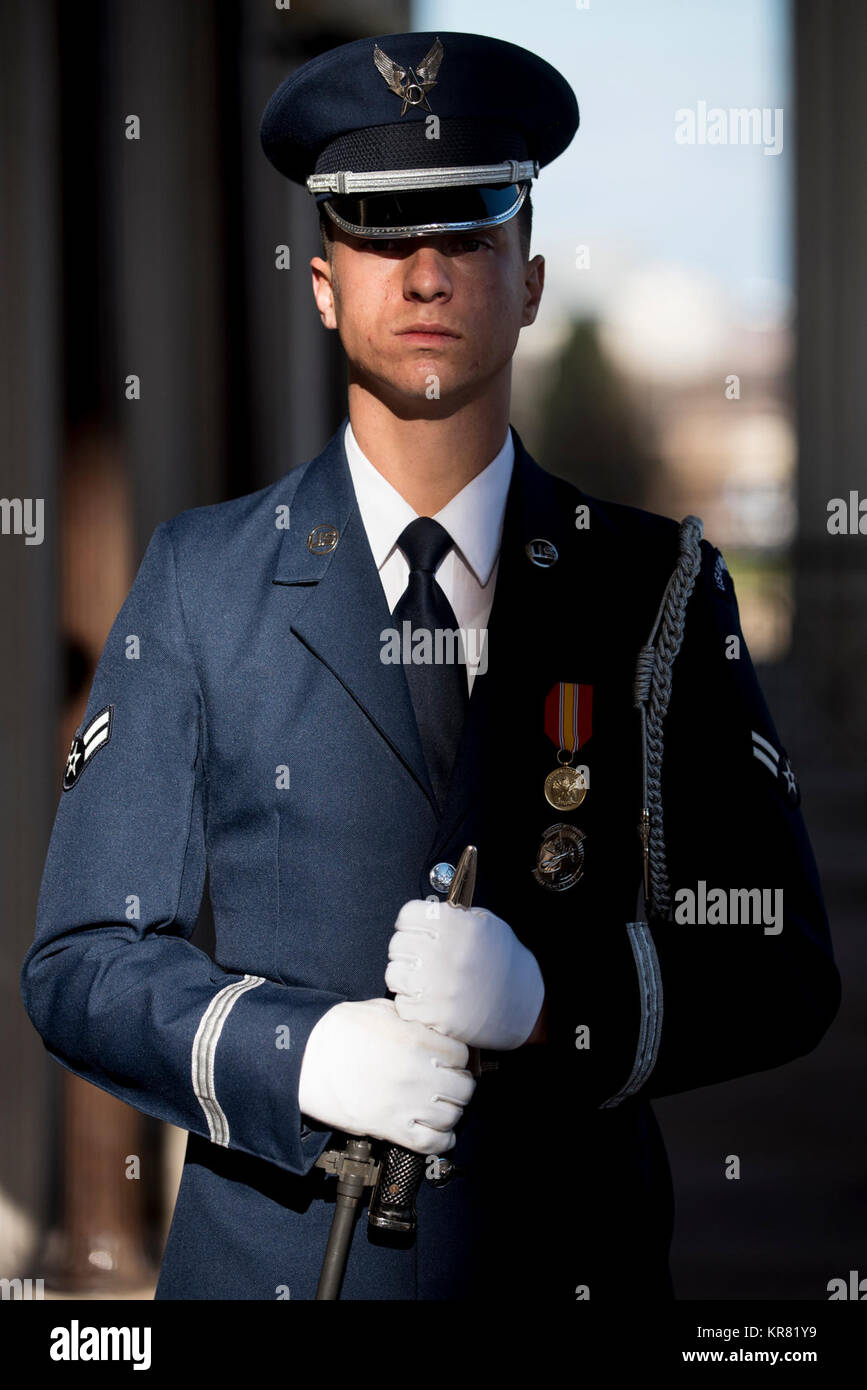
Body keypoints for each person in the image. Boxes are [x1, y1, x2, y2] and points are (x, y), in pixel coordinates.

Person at [21, 29, 840, 1302]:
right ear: (323, 285)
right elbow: (80, 958)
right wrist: (298, 1053)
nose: (423, 271)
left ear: (530, 280)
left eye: (466, 229)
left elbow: (779, 964)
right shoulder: (202, 579)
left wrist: (551, 998)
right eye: (381, 231)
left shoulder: (656, 587)